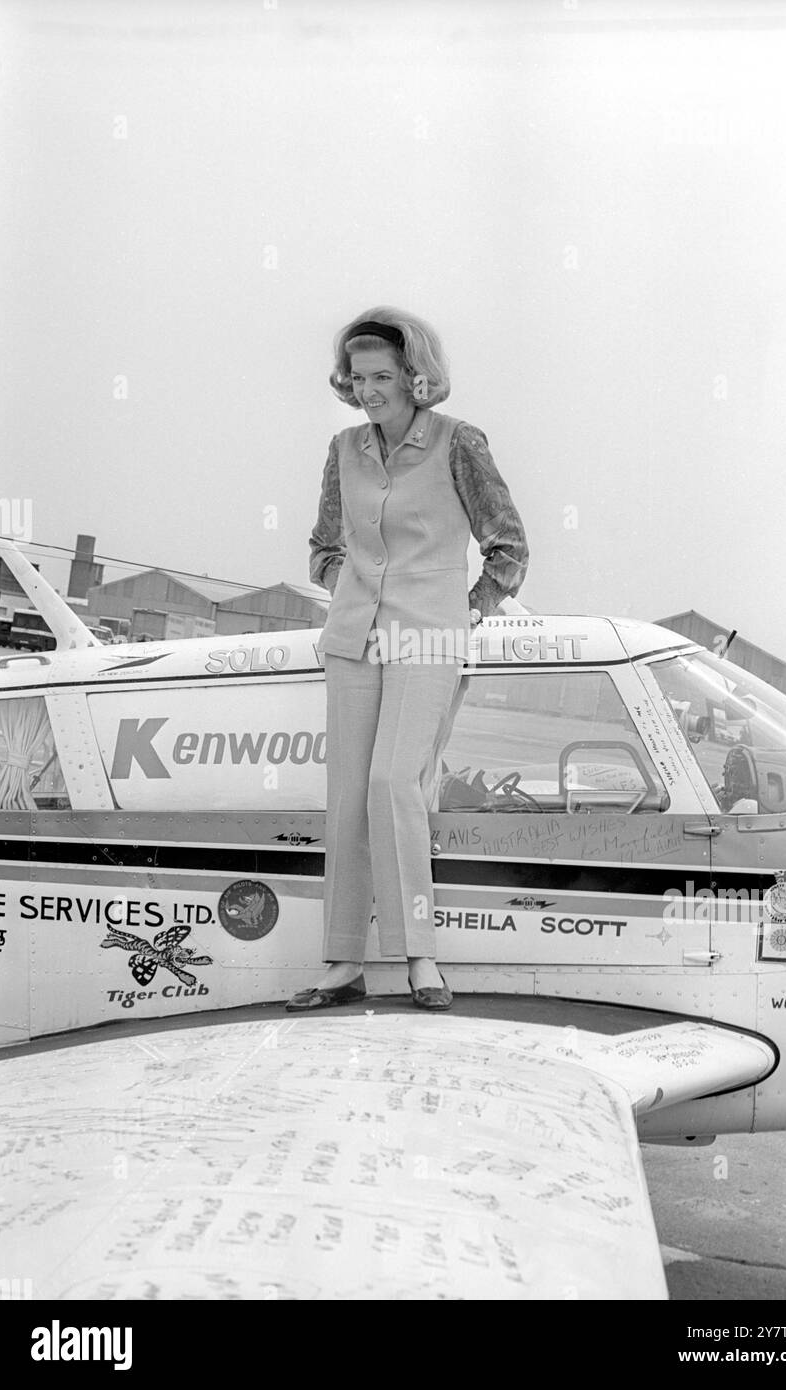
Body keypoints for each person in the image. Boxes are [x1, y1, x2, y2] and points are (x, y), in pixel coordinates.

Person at [286, 307, 528, 1013]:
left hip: (429, 633)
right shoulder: (344, 449)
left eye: (382, 376)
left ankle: (419, 954)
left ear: (416, 376)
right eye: (357, 377)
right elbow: (322, 548)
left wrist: (470, 604)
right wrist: (354, 591)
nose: (367, 390)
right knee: (349, 797)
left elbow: (508, 544)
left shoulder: (460, 443)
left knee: (396, 781)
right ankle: (342, 962)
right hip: (354, 635)